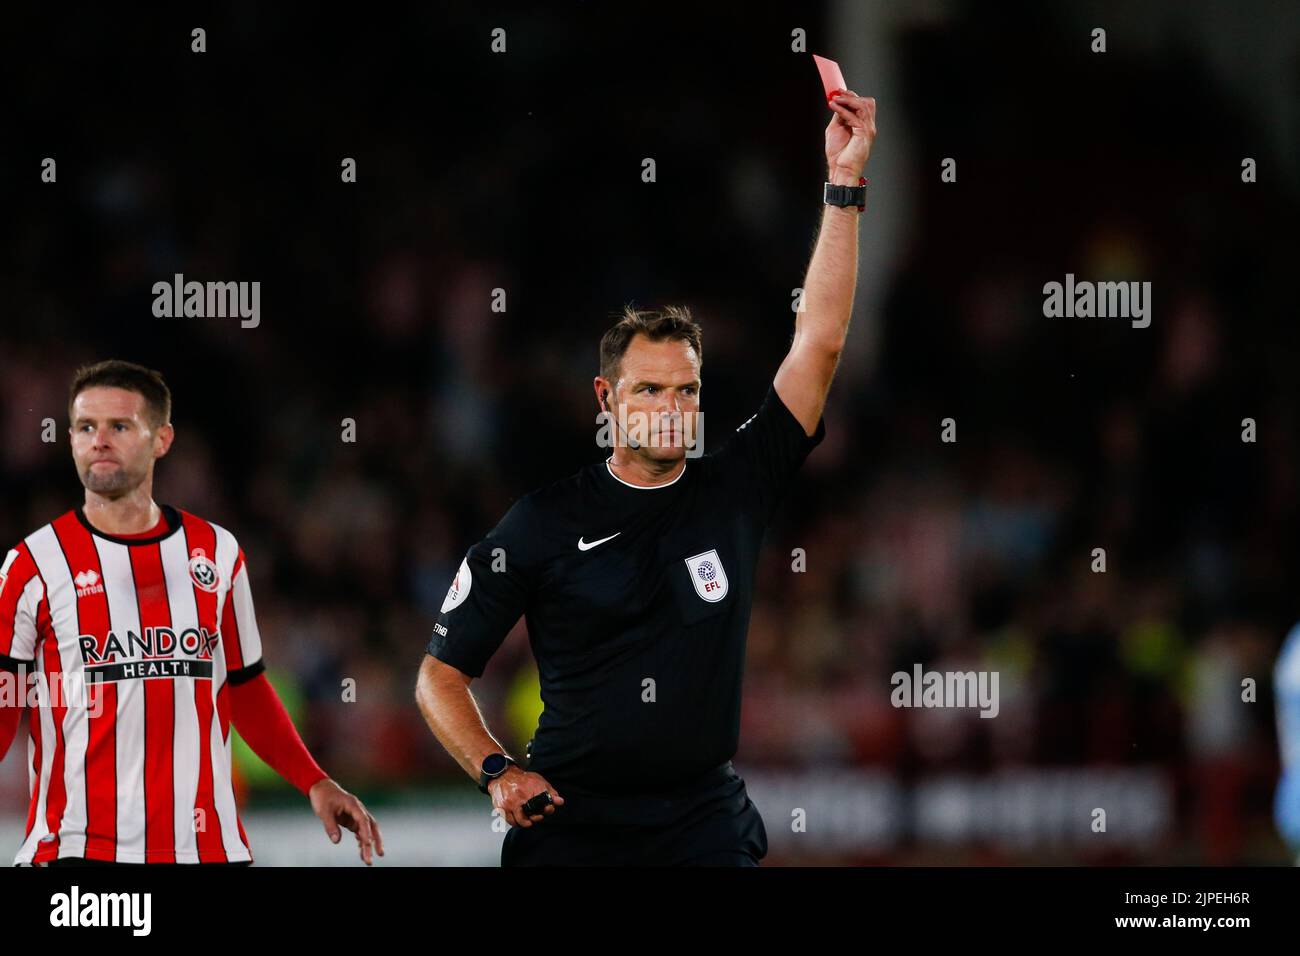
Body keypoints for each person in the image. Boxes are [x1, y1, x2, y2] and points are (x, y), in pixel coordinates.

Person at [415, 91, 877, 865]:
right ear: (607, 398)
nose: (671, 407)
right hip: (571, 824)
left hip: (703, 823)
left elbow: (820, 342)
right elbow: (439, 677)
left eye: (686, 389)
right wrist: (497, 771)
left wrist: (844, 185)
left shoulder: (736, 486)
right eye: (648, 389)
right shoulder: (540, 523)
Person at [0, 360, 382, 865]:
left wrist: (314, 780)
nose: (100, 440)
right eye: (86, 427)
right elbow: (6, 701)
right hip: (78, 852)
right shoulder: (32, 566)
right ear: (70, 438)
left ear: (161, 439)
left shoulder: (218, 554)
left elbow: (245, 686)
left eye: (120, 426)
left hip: (206, 851)